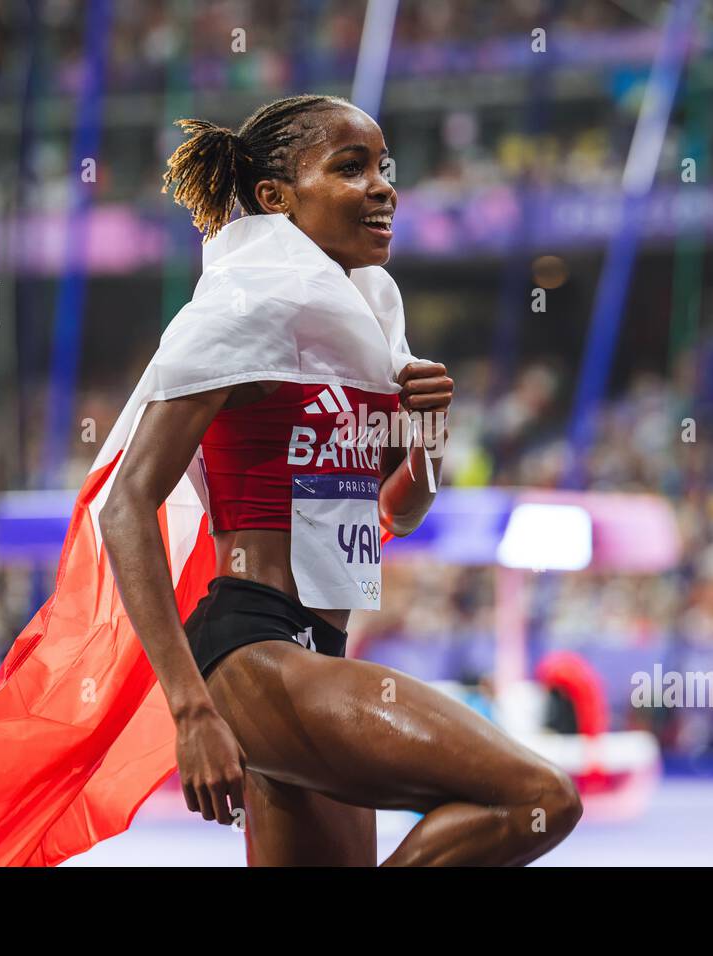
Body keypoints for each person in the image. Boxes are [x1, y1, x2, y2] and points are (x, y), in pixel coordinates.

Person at [100, 94, 581, 866]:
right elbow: (125, 506)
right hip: (252, 648)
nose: (383, 186)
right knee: (537, 798)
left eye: (384, 167)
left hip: (322, 650)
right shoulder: (242, 303)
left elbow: (402, 511)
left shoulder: (369, 314)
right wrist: (190, 709)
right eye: (350, 167)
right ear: (275, 199)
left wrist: (424, 436)